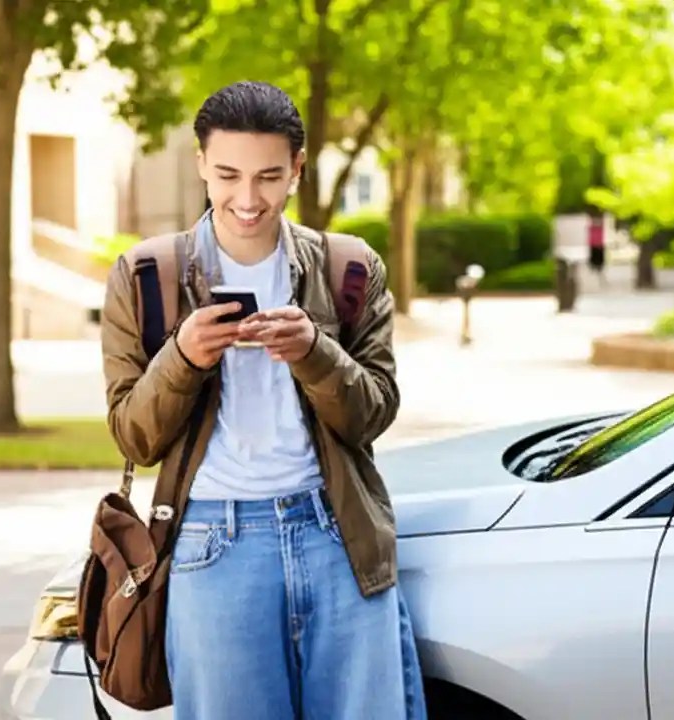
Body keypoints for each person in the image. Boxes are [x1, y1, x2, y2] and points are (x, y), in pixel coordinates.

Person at [99, 80, 426, 720]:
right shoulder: (146, 276)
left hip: (338, 536)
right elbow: (134, 438)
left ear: (298, 170)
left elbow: (374, 413)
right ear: (200, 164)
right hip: (212, 546)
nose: (248, 199)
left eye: (269, 177)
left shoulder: (348, 268)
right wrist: (184, 357)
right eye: (227, 175)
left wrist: (314, 351)